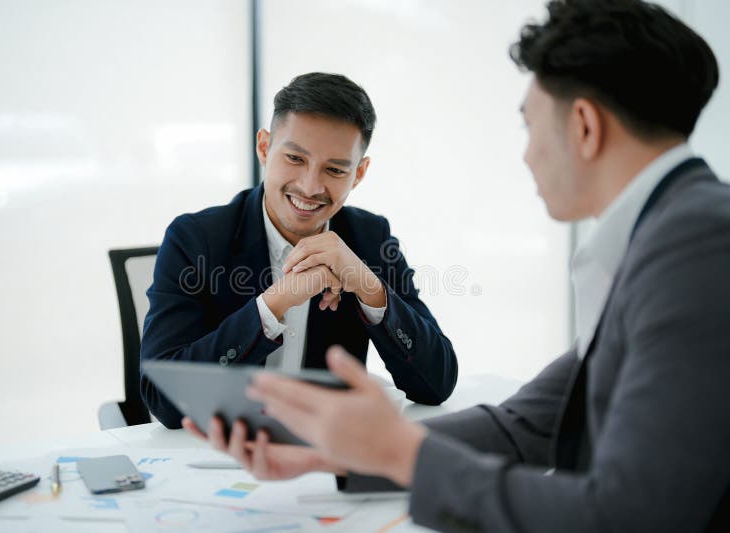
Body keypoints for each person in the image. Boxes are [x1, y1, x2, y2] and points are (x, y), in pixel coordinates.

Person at [185, 1, 730, 531]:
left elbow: (632, 516)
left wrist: (397, 450)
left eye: (530, 125)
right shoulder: (664, 237)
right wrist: (341, 454)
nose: (526, 154)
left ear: (584, 126)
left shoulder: (699, 245)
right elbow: (527, 424)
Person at [141, 72, 458, 429]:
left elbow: (437, 384)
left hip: (320, 457)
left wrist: (369, 288)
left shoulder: (370, 238)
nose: (310, 187)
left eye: (335, 169)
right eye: (295, 158)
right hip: (220, 452)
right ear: (264, 147)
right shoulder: (194, 239)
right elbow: (163, 400)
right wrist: (274, 304)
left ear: (359, 174)